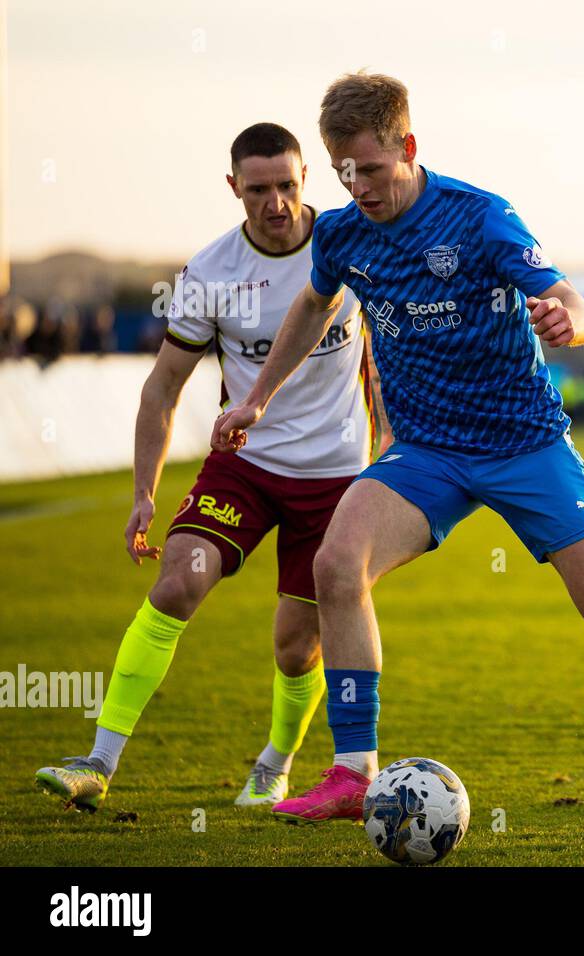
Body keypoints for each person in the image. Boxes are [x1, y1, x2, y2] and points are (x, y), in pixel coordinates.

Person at [213, 73, 584, 833]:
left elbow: (573, 301)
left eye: (372, 168)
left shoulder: (480, 217)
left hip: (525, 446)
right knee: (336, 564)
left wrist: (569, 321)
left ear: (409, 147)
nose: (358, 186)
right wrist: (257, 397)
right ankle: (353, 770)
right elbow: (316, 303)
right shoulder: (340, 232)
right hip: (425, 451)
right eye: (343, 171)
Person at [36, 123, 386, 812]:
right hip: (245, 466)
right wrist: (144, 494)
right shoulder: (210, 274)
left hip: (338, 477)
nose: (276, 203)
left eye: (287, 186)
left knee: (295, 647)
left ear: (306, 179)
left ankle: (276, 762)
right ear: (234, 189)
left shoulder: (353, 242)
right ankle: (98, 761)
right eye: (259, 190)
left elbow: (396, 341)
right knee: (179, 581)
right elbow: (161, 388)